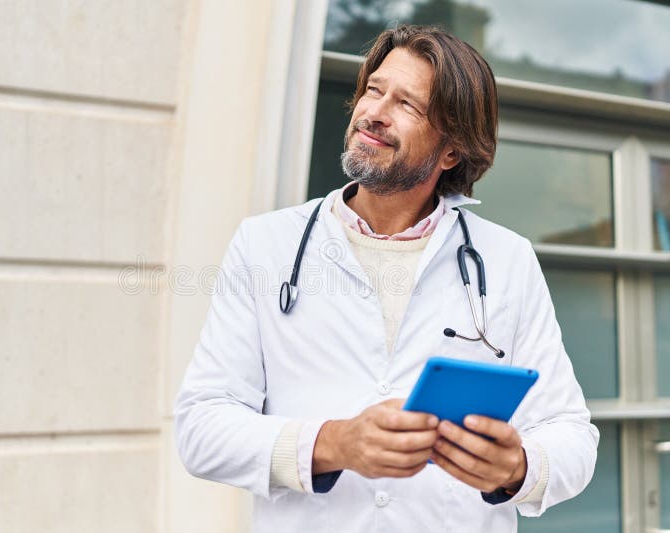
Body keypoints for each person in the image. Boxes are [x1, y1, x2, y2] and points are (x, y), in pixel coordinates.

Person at [174, 24, 598, 533]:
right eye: (373, 90)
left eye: (407, 105)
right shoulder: (264, 245)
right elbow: (201, 427)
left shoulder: (508, 260)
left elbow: (572, 435)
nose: (374, 112)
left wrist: (517, 468)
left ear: (451, 151)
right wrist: (332, 443)